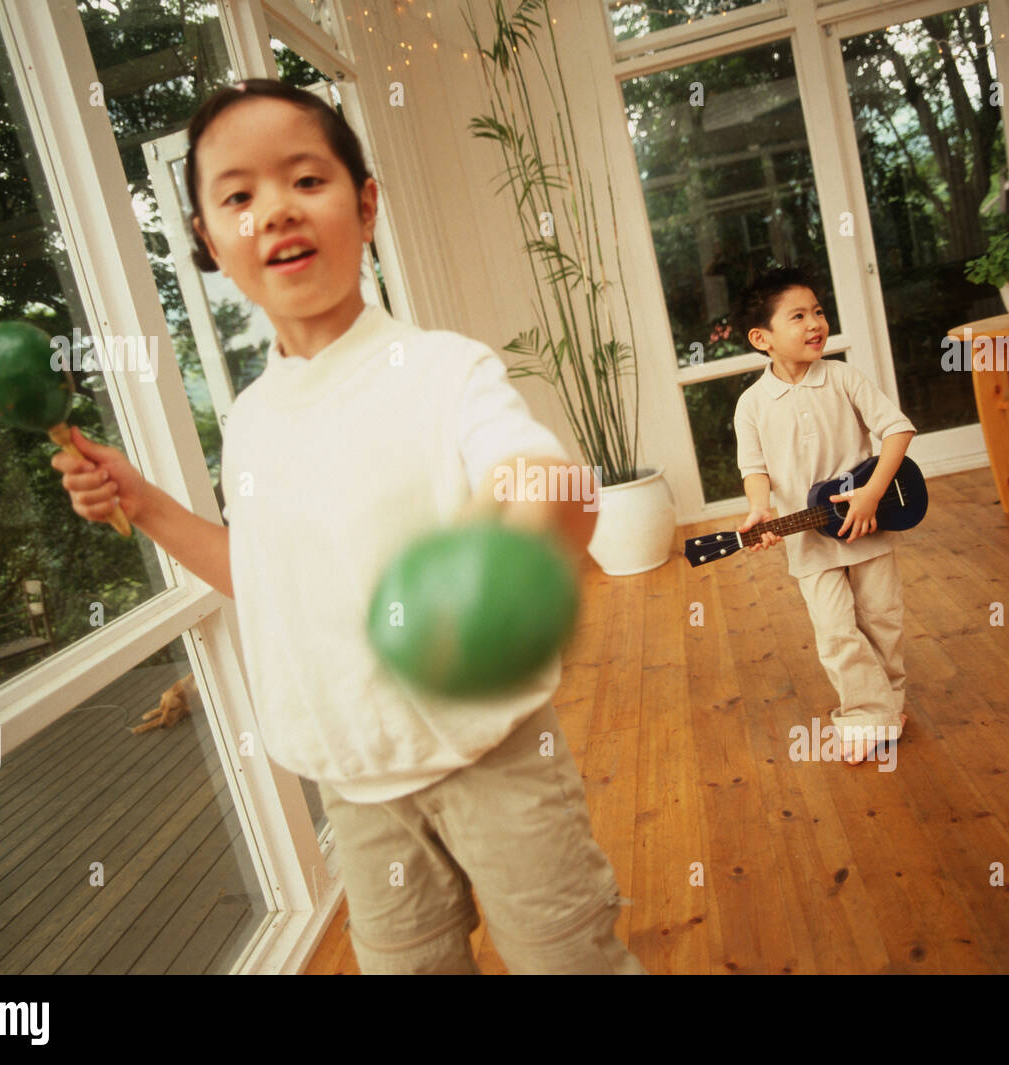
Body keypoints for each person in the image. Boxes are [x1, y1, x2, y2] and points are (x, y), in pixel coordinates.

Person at [52, 79, 645, 975]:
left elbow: (541, 477)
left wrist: (514, 543)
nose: (276, 210)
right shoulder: (250, 418)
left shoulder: (445, 370)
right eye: (239, 196)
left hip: (495, 759)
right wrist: (142, 501)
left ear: (366, 205)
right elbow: (262, 572)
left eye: (306, 179)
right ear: (212, 243)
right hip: (357, 793)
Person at [732, 268, 916, 765]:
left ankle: (887, 709)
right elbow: (754, 469)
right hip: (809, 540)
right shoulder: (751, 405)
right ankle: (864, 718)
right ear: (762, 338)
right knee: (836, 631)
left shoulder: (843, 377)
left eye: (818, 311)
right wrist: (759, 509)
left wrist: (872, 495)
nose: (815, 323)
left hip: (868, 524)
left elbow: (897, 430)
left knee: (882, 622)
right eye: (798, 316)